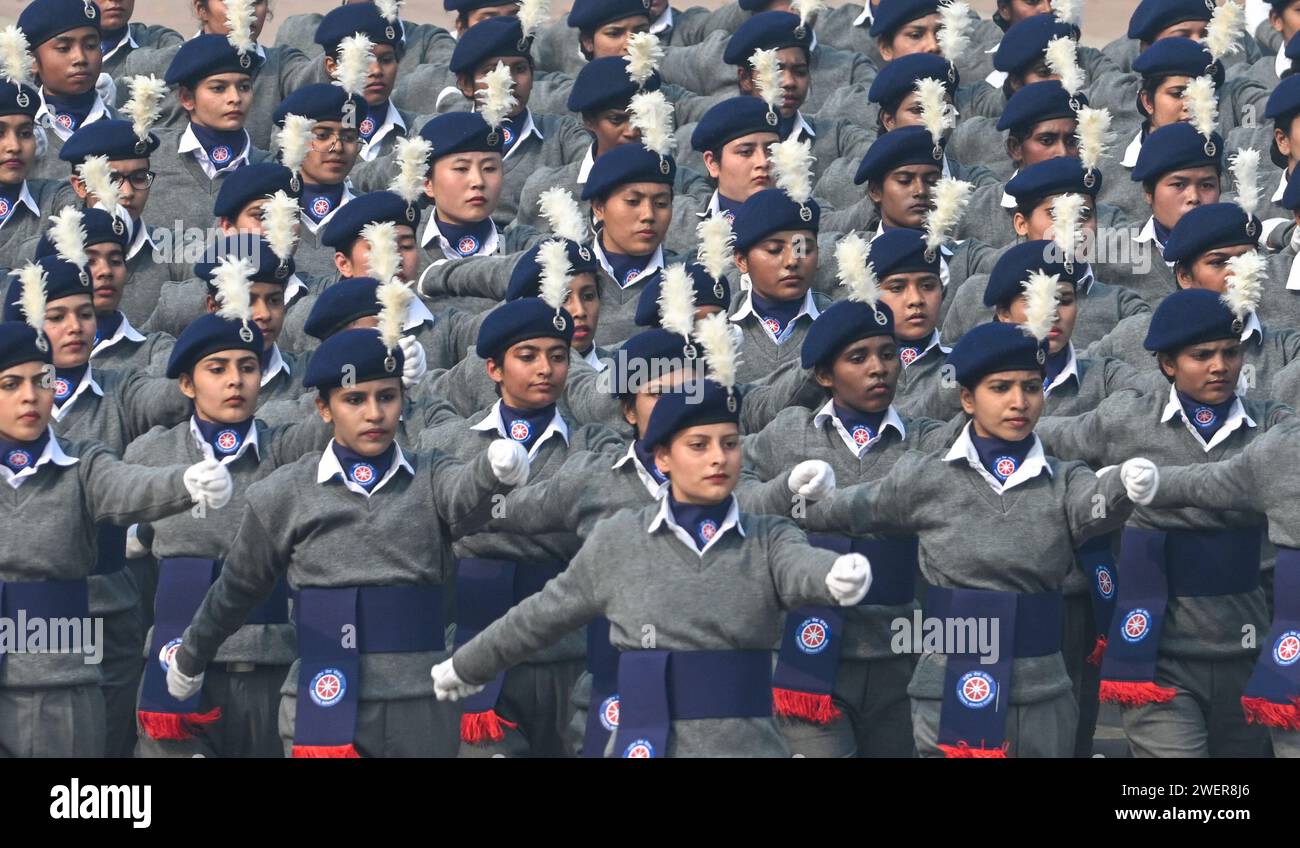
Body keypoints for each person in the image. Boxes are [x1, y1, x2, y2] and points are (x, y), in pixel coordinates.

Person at [432, 317, 873, 758]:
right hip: (621, 706)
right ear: (629, 411)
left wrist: (820, 551)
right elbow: (537, 602)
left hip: (735, 724)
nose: (679, 408)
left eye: (692, 394)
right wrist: (474, 488)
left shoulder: (746, 504)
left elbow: (776, 532)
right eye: (660, 394)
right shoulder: (599, 496)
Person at [165, 300, 533, 758]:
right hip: (321, 700)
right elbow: (238, 588)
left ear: (403, 399)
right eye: (354, 400)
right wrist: (192, 654)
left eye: (387, 396)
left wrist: (492, 471)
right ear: (324, 409)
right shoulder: (285, 492)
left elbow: (464, 497)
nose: (374, 414)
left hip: (421, 701)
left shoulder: (431, 473)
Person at [801, 317, 1159, 756]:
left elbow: (1093, 507)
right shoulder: (926, 477)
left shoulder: (1065, 478)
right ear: (968, 399)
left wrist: (1123, 485)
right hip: (949, 683)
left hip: (1042, 691)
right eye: (1000, 388)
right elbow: (853, 510)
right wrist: (797, 498)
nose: (1019, 402)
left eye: (1031, 387)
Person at [1034, 283, 1292, 758]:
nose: (1220, 366)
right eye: (1202, 355)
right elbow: (1046, 439)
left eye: (1230, 352)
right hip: (1154, 654)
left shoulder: (1272, 426)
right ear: (1168, 365)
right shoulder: (1128, 419)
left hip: (1245, 646)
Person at [0, 296, 232, 758]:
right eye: (10, 384)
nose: (29, 396)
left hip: (63, 684)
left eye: (41, 381)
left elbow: (129, 486)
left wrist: (184, 482)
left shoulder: (82, 463)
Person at [130, 258, 329, 758]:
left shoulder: (286, 446)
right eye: (217, 369)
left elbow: (343, 424)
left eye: (247, 367)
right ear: (187, 384)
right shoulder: (150, 453)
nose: (235, 381)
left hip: (272, 670)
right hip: (175, 669)